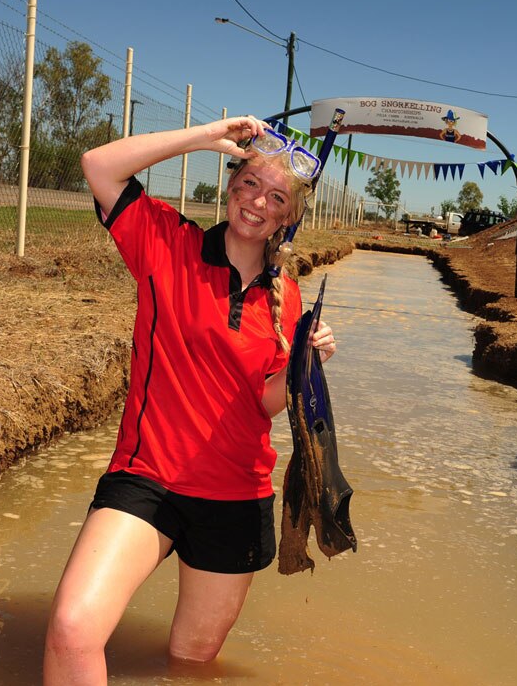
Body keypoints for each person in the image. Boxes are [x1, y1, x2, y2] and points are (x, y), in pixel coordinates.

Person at [43, 115, 337, 684]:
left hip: (235, 497)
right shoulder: (166, 242)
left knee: (189, 666)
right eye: (250, 184)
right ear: (230, 186)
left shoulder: (290, 296)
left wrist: (307, 364)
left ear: (288, 216)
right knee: (72, 629)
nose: (258, 203)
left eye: (276, 196)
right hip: (147, 478)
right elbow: (98, 165)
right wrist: (202, 137)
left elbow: (265, 403)